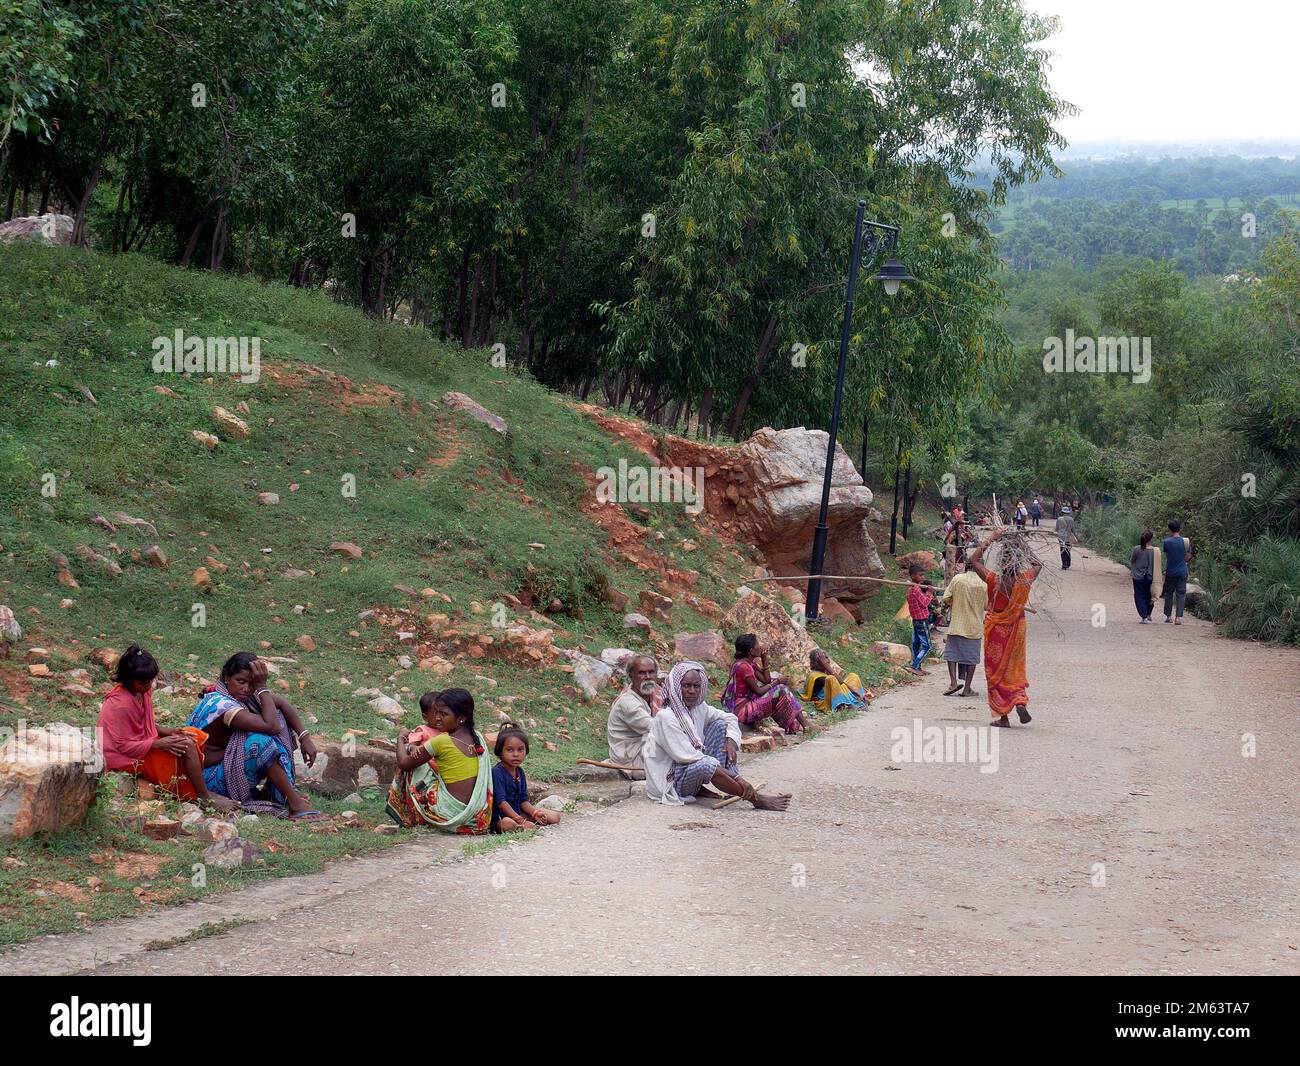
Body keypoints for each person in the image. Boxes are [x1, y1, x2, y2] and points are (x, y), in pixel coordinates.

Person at [187, 652, 323, 817]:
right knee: (259, 742)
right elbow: (271, 726)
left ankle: (279, 791)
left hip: (226, 767)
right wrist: (261, 687)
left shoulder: (236, 695)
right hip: (207, 780)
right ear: (225, 678)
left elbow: (281, 703)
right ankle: (295, 803)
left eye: (252, 684)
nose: (246, 689)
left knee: (274, 712)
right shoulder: (222, 706)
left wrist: (304, 737)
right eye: (241, 681)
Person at [99, 646, 234, 810]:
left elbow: (141, 726)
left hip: (142, 744)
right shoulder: (119, 705)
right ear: (128, 679)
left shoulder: (141, 691)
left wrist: (168, 732)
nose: (148, 686)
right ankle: (203, 797)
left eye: (150, 681)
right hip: (122, 756)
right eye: (144, 682)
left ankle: (199, 787)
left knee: (191, 734)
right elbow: (122, 746)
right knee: (186, 745)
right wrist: (159, 744)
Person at [643, 661, 790, 810]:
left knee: (720, 725)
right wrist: (738, 779)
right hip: (671, 782)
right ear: (676, 687)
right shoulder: (666, 717)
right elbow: (691, 757)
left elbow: (730, 718)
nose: (692, 691)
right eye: (686, 686)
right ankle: (754, 798)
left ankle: (734, 789)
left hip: (689, 774)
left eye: (696, 686)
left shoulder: (699, 708)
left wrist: (731, 741)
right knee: (707, 765)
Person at [387, 688, 493, 834]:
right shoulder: (479, 738)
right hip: (477, 820)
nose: (437, 718)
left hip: (447, 815)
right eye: (436, 712)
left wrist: (400, 738)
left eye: (443, 714)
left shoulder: (441, 741)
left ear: (461, 718)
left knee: (411, 766)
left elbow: (404, 763)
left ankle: (407, 816)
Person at [967, 528, 1042, 727]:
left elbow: (973, 560)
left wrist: (992, 538)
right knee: (1014, 668)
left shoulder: (993, 580)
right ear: (1018, 563)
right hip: (1017, 628)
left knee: (995, 671)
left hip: (996, 631)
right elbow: (1038, 564)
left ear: (1001, 563)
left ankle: (1003, 717)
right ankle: (1018, 700)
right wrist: (1021, 545)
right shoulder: (1024, 579)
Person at [722, 634, 812, 734]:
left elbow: (766, 680)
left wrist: (764, 658)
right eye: (757, 644)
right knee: (781, 689)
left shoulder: (748, 663)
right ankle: (806, 726)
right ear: (751, 651)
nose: (760, 647)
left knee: (779, 689)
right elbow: (759, 691)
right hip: (741, 711)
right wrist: (778, 681)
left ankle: (793, 726)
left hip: (745, 705)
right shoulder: (743, 667)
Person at [491, 723, 559, 833]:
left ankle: (522, 825)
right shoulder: (497, 772)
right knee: (508, 824)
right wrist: (519, 820)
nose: (516, 754)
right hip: (502, 817)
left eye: (520, 749)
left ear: (526, 751)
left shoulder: (520, 772)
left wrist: (535, 813)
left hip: (519, 813)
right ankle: (519, 826)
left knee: (555, 817)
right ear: (500, 751)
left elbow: (523, 801)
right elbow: (501, 802)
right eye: (510, 750)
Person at [940, 557, 989, 697]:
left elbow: (946, 598)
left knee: (952, 655)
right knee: (971, 659)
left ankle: (953, 682)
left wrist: (956, 603)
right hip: (974, 627)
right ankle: (967, 688)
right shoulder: (984, 584)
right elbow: (986, 606)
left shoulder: (957, 579)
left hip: (957, 624)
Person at [606, 654, 662, 767]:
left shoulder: (654, 694)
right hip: (630, 760)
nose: (648, 677)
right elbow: (657, 728)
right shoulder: (628, 703)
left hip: (643, 748)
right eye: (642, 673)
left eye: (651, 672)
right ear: (631, 676)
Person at [799, 649, 869, 714]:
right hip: (826, 703)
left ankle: (859, 699)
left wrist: (857, 694)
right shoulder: (815, 676)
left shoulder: (825, 673)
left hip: (834, 694)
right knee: (831, 679)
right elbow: (840, 682)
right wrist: (826, 665)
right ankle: (845, 705)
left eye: (826, 658)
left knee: (853, 676)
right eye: (821, 660)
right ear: (814, 663)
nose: (826, 661)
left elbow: (841, 684)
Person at [906, 563, 934, 675]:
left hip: (916, 620)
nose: (923, 577)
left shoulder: (910, 589)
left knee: (916, 644)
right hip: (921, 621)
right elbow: (925, 603)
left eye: (923, 575)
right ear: (913, 576)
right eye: (920, 575)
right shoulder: (916, 589)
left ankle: (918, 668)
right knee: (927, 646)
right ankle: (914, 666)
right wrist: (929, 592)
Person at [1161, 520, 1192, 625]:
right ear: (1180, 529)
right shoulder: (1186, 541)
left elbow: (1167, 555)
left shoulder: (1167, 542)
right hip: (1182, 571)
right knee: (1181, 594)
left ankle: (1168, 616)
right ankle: (1178, 618)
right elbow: (1188, 556)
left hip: (1170, 571)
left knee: (1169, 593)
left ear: (1169, 529)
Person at [1130, 529, 1156, 623]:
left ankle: (1144, 616)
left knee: (1139, 595)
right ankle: (1148, 614)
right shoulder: (1155, 551)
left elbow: (1132, 560)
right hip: (1150, 576)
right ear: (1151, 539)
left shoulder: (1137, 549)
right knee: (1149, 595)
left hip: (1137, 576)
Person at [1056, 505, 1076, 570]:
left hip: (1061, 536)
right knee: (1067, 549)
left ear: (1062, 512)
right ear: (1068, 512)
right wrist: (1074, 535)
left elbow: (1057, 528)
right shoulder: (1071, 519)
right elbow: (1073, 529)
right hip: (1068, 536)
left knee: (1062, 549)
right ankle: (1068, 563)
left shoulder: (1059, 519)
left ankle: (1064, 565)